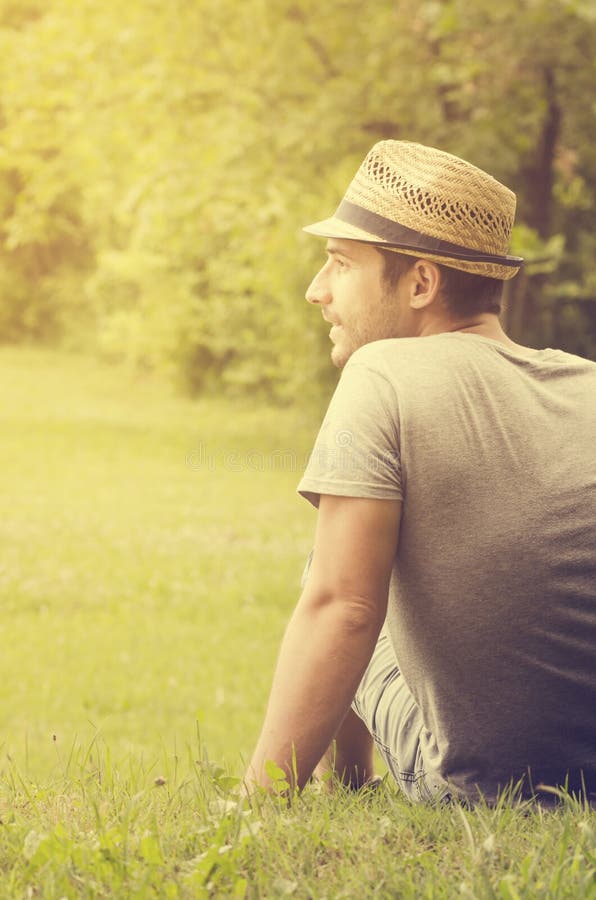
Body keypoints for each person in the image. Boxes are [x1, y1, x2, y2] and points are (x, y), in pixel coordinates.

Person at [245, 140, 596, 804]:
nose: (316, 291)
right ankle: (350, 783)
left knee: (329, 571)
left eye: (341, 264)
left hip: (479, 787)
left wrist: (254, 809)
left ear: (421, 283)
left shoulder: (385, 372)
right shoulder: (586, 385)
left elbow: (344, 609)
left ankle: (347, 784)